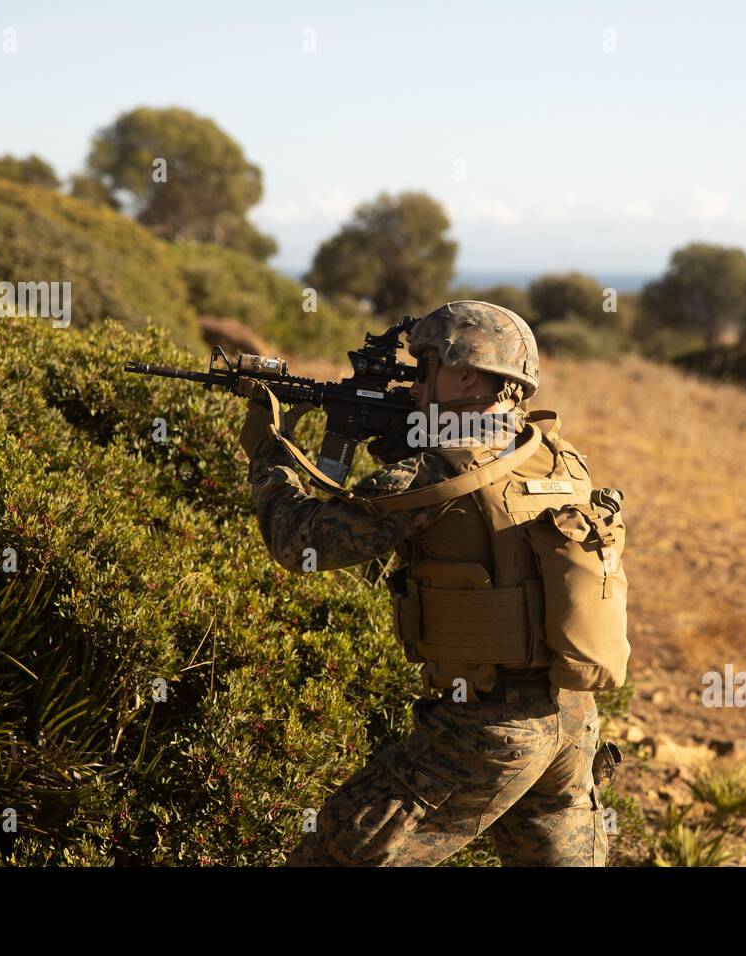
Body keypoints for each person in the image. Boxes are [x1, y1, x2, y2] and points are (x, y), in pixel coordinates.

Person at [238, 300, 627, 866]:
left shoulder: (433, 473)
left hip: (487, 732)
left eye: (425, 368)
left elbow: (301, 544)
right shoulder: (560, 460)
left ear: (467, 374)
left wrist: (270, 456)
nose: (414, 383)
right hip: (571, 722)